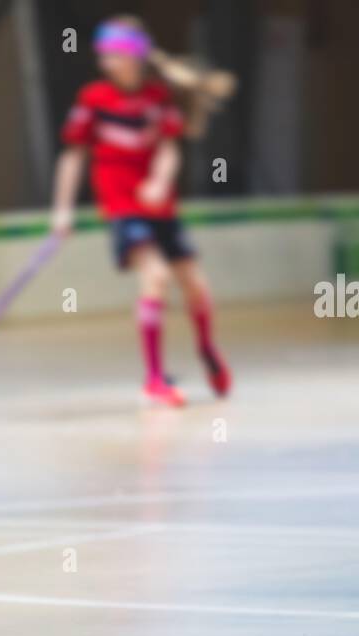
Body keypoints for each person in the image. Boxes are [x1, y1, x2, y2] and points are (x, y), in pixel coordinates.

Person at [50, 15, 230, 407]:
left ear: (134, 57)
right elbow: (73, 156)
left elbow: (169, 147)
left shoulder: (157, 98)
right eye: (103, 54)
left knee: (194, 283)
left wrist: (160, 181)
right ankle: (153, 379)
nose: (105, 61)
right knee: (156, 275)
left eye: (113, 54)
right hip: (121, 207)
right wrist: (61, 210)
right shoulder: (92, 99)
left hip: (160, 208)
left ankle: (207, 349)